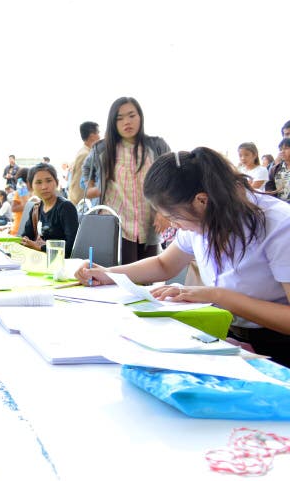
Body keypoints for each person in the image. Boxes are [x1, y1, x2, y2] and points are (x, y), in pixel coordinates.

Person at [75, 147, 290, 367]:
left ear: (202, 200)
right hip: (231, 337)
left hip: (279, 348)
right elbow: (163, 264)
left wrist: (219, 295)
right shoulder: (203, 219)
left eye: (174, 217)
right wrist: (108, 274)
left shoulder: (279, 226)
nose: (175, 226)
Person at [81, 96, 170, 264]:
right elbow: (86, 170)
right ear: (112, 123)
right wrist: (94, 187)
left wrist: (164, 212)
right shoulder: (102, 149)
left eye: (131, 115)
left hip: (148, 224)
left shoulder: (157, 146)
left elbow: (170, 179)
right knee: (116, 279)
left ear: (140, 117)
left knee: (146, 279)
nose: (126, 122)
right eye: (119, 118)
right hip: (114, 223)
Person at [21, 163, 79, 257]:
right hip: (40, 262)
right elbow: (26, 236)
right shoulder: (36, 209)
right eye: (38, 182)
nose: (44, 187)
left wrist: (40, 248)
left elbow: (71, 247)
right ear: (31, 186)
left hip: (61, 265)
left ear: (56, 182)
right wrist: (25, 241)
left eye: (48, 181)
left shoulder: (66, 208)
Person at [68, 121, 100, 205]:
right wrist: (82, 205)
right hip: (82, 204)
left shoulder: (86, 152)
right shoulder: (85, 155)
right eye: (98, 133)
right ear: (92, 136)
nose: (100, 136)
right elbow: (78, 184)